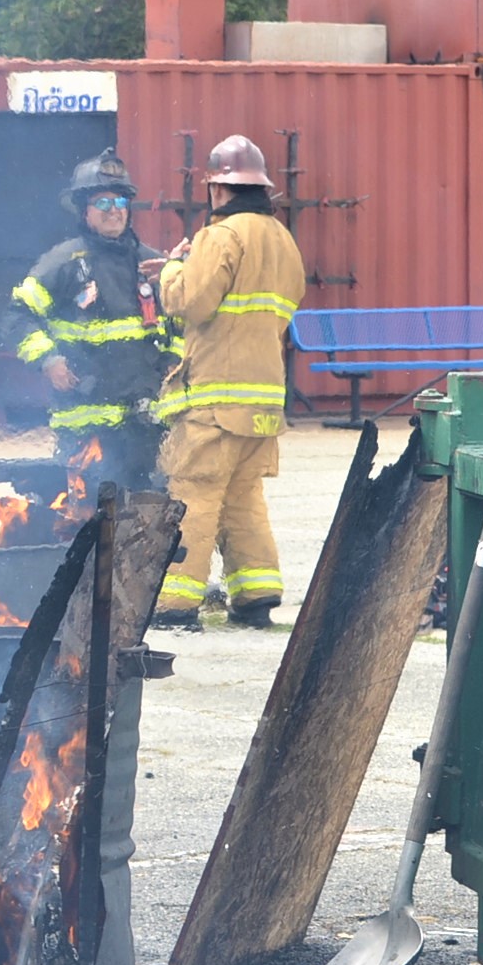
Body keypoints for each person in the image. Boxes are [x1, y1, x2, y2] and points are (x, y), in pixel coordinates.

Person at [150, 133, 305, 630]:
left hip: (216, 397)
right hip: (264, 398)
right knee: (243, 497)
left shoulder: (220, 236)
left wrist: (172, 270)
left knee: (194, 493)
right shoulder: (282, 240)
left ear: (217, 188)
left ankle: (174, 604)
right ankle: (256, 594)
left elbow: (191, 303)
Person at [8, 148, 176, 493]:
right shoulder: (63, 264)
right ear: (84, 210)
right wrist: (49, 360)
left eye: (120, 202)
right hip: (86, 430)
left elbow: (183, 325)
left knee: (149, 512)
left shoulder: (152, 266)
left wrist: (173, 362)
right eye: (103, 203)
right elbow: (17, 316)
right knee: (87, 515)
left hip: (146, 427)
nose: (114, 210)